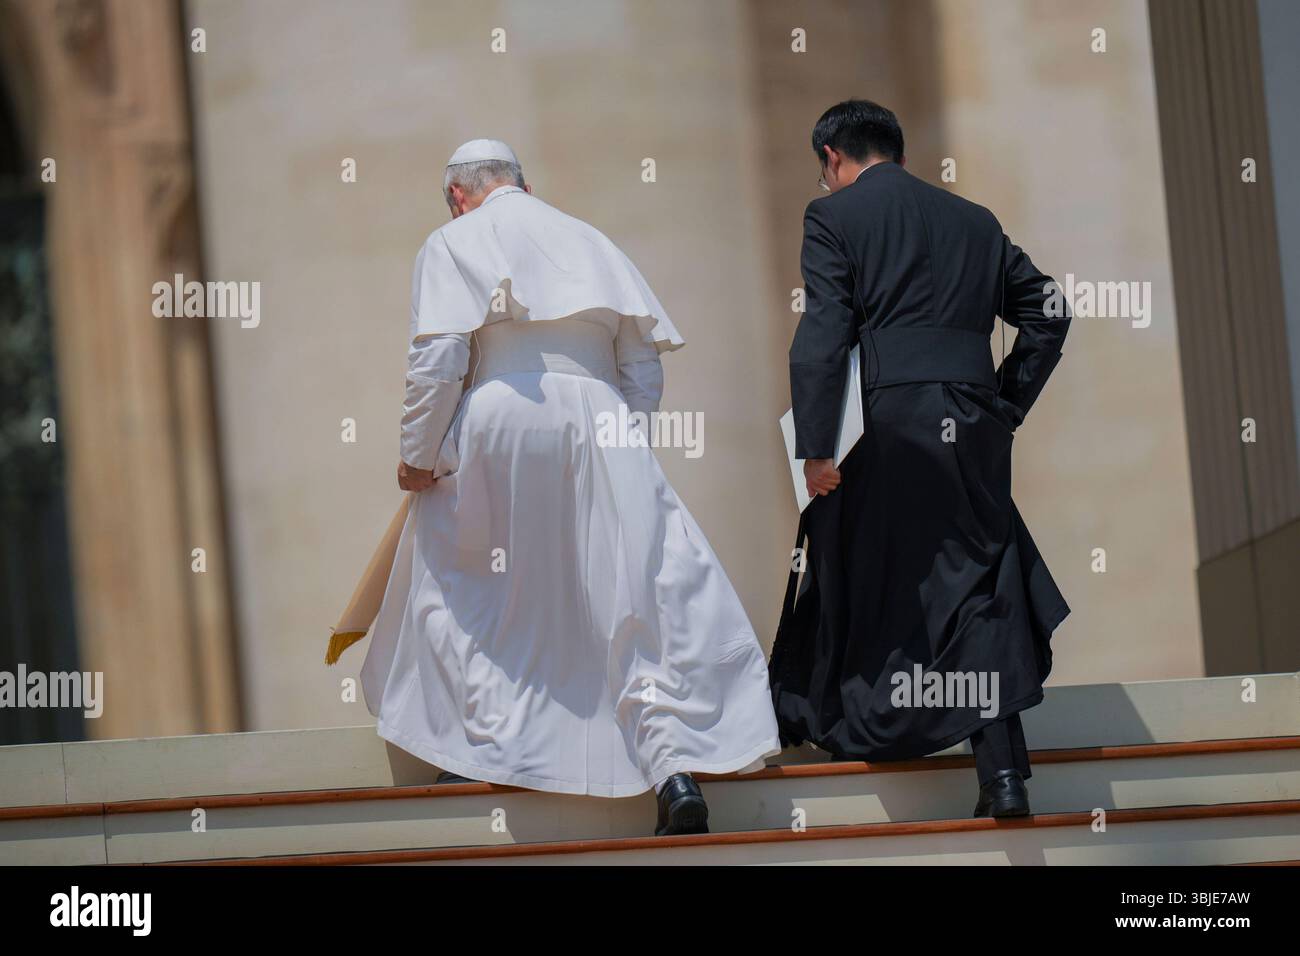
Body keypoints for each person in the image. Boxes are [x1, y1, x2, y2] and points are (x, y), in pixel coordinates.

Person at [359, 139, 781, 836]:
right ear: (522, 185)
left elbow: (439, 359)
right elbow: (642, 369)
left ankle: (479, 752)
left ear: (458, 196)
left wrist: (419, 454)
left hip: (502, 414)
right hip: (603, 415)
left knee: (465, 581)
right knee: (636, 588)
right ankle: (672, 769)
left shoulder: (452, 239)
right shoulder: (592, 240)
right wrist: (620, 444)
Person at [770, 101, 1071, 817]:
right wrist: (1005, 403)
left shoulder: (833, 215)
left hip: (881, 425)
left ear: (832, 157)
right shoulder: (976, 221)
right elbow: (1051, 310)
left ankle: (845, 728)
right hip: (969, 422)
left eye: (823, 170)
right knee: (978, 583)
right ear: (900, 155)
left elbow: (823, 333)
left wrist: (815, 447)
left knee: (860, 564)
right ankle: (1003, 775)